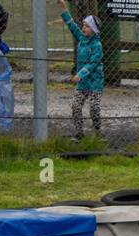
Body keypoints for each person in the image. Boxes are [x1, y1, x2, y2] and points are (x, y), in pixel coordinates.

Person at [57, 0, 103, 139]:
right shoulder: (82, 39)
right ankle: (79, 133)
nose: (83, 28)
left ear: (94, 30)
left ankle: (98, 132)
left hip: (94, 82)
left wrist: (80, 74)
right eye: (83, 25)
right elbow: (72, 25)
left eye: (87, 26)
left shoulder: (97, 45)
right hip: (82, 84)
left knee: (94, 108)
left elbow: (93, 63)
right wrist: (64, 9)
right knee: (76, 107)